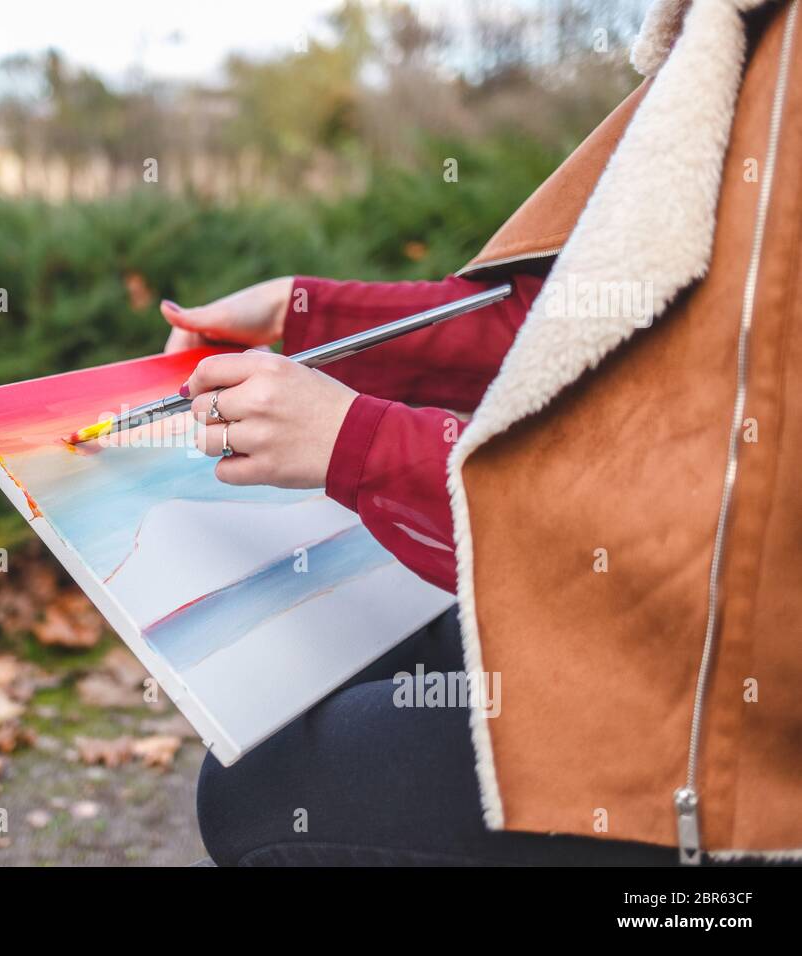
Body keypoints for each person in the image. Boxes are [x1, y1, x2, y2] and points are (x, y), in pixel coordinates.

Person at [171, 0, 802, 866]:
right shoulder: (741, 37)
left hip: (748, 721)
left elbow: (742, 517)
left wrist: (362, 445)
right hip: (680, 639)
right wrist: (302, 311)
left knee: (267, 796)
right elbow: (583, 324)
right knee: (345, 674)